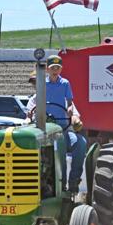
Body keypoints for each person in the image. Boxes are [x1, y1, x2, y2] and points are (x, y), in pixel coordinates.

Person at [26, 56, 87, 193]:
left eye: (57, 68)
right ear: (47, 70)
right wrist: (29, 116)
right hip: (44, 131)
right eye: (52, 68)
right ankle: (58, 184)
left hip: (63, 130)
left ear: (60, 69)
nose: (55, 70)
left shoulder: (65, 85)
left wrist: (75, 119)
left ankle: (73, 181)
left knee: (80, 142)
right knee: (58, 151)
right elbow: (28, 114)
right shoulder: (35, 99)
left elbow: (73, 111)